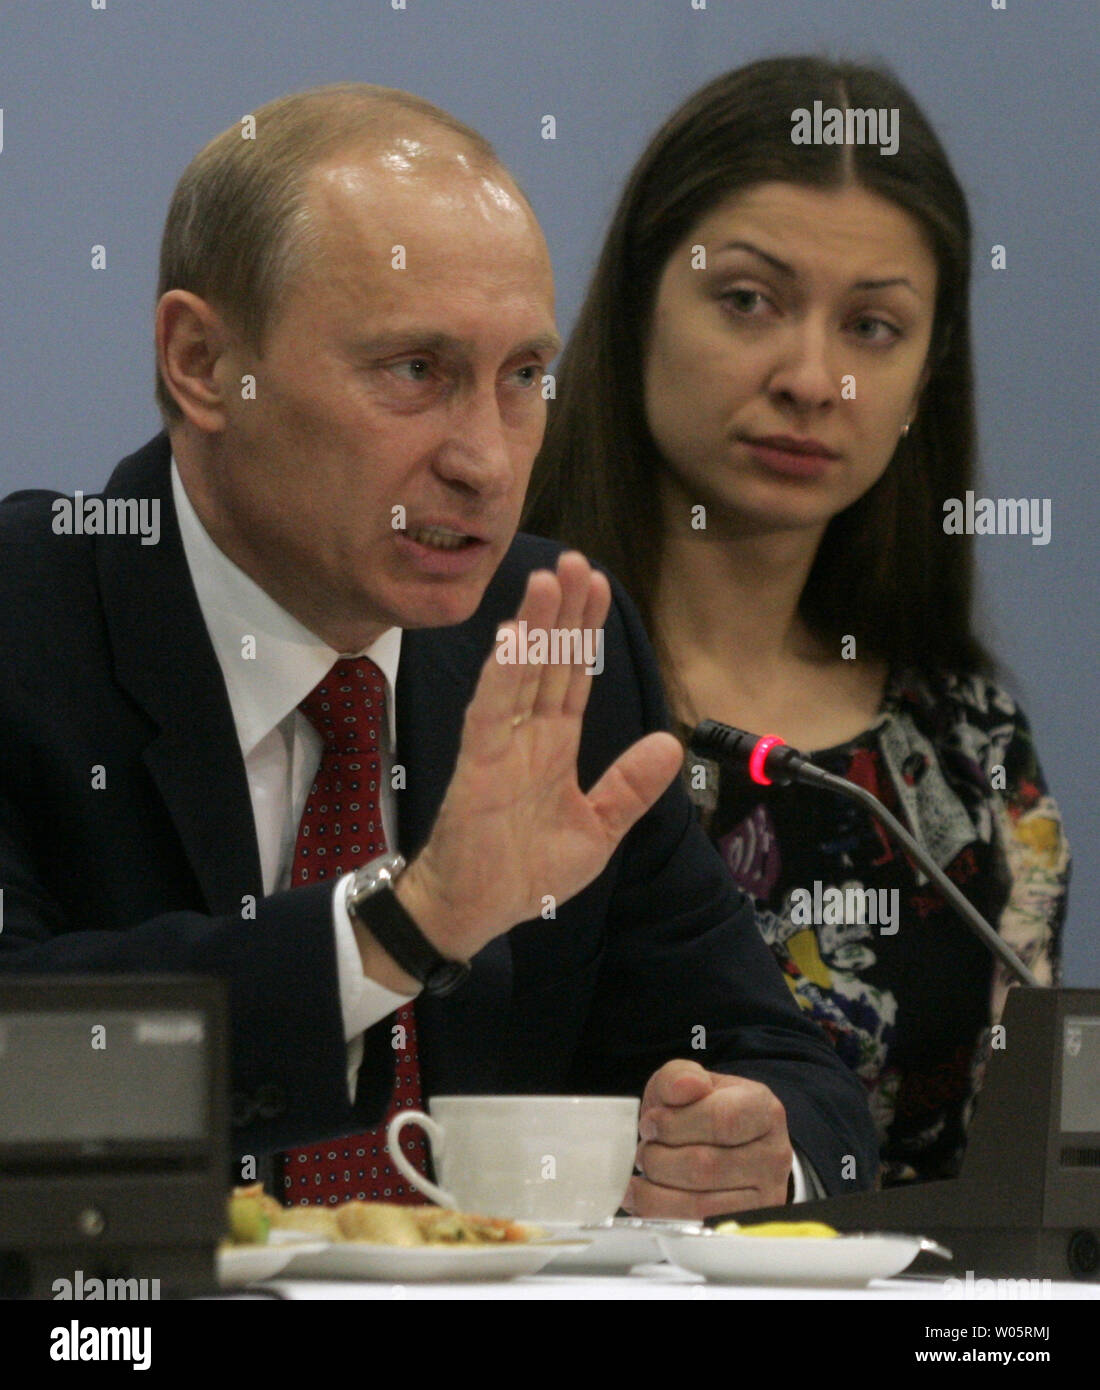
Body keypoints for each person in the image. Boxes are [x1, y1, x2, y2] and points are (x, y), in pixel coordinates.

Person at [0, 84, 878, 1215]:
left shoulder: (555, 638)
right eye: (414, 371)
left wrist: (755, 1144)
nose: (487, 461)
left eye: (521, 378)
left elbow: (787, 1070)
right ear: (203, 362)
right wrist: (398, 928)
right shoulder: (28, 619)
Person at [523, 57, 1070, 1184]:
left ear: (924, 380)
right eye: (747, 301)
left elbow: (1002, 1183)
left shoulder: (967, 749)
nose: (810, 378)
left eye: (873, 327)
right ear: (636, 308)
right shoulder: (476, 676)